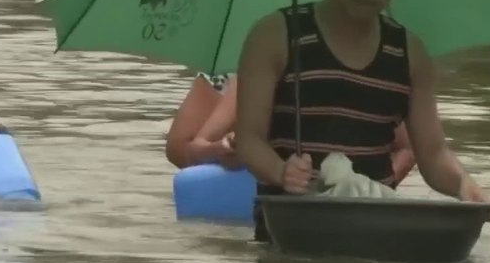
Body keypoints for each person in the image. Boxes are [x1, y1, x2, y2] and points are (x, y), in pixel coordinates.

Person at [233, 0, 490, 241]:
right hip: (290, 227)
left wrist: (464, 185)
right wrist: (280, 172)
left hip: (377, 226)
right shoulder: (275, 35)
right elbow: (248, 139)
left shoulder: (410, 53)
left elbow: (432, 153)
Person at [167, 71, 417, 183]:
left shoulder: (358, 77)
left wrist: (371, 193)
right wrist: (220, 151)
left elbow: (407, 149)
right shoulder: (248, 79)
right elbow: (187, 149)